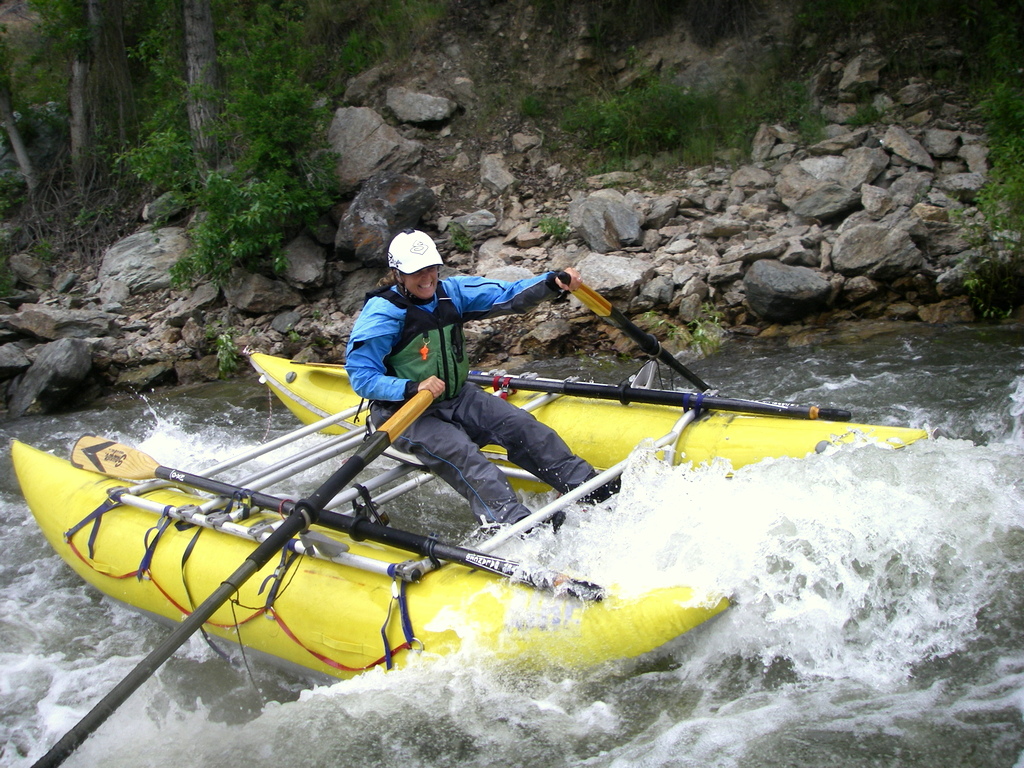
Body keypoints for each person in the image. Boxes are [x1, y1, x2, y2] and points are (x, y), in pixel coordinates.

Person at [345, 228, 615, 528]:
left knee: (523, 427)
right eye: (417, 272)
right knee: (466, 456)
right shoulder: (383, 313)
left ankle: (596, 491)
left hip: (458, 396)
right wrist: (412, 387)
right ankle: (515, 529)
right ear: (398, 274)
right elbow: (361, 377)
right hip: (404, 412)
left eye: (431, 268)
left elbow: (508, 295)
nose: (427, 278)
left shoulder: (452, 293)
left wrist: (551, 283)